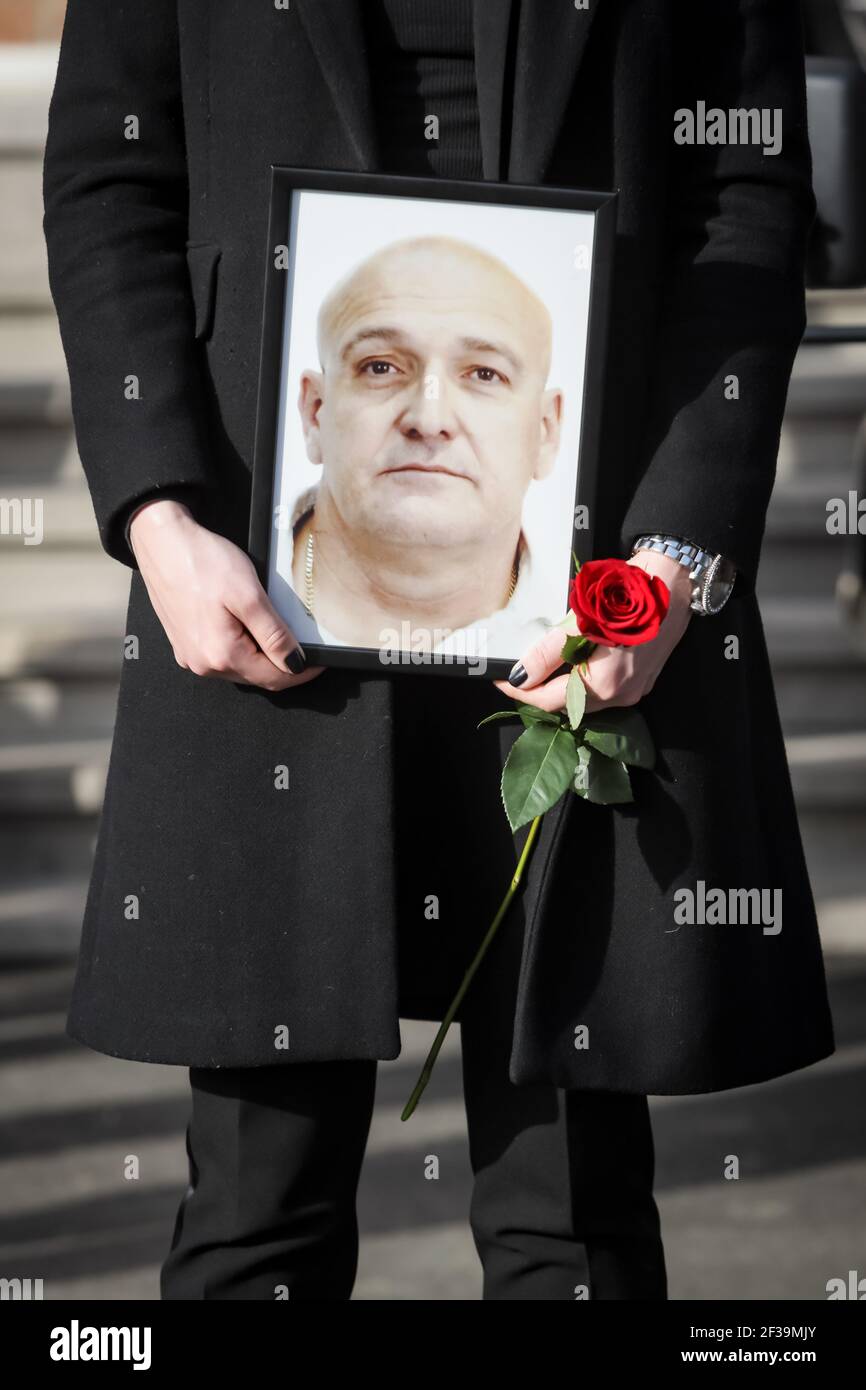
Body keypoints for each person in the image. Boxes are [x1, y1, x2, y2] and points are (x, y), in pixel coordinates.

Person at [42, 0, 835, 1301]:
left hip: (589, 576)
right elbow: (110, 177)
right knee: (253, 1208)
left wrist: (673, 553)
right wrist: (159, 516)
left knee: (569, 1223)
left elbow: (741, 186)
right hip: (261, 575)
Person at [286, 233, 564, 660]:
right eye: (381, 367)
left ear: (545, 431)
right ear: (315, 412)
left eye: (484, 374)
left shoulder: (584, 641)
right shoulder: (230, 582)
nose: (429, 421)